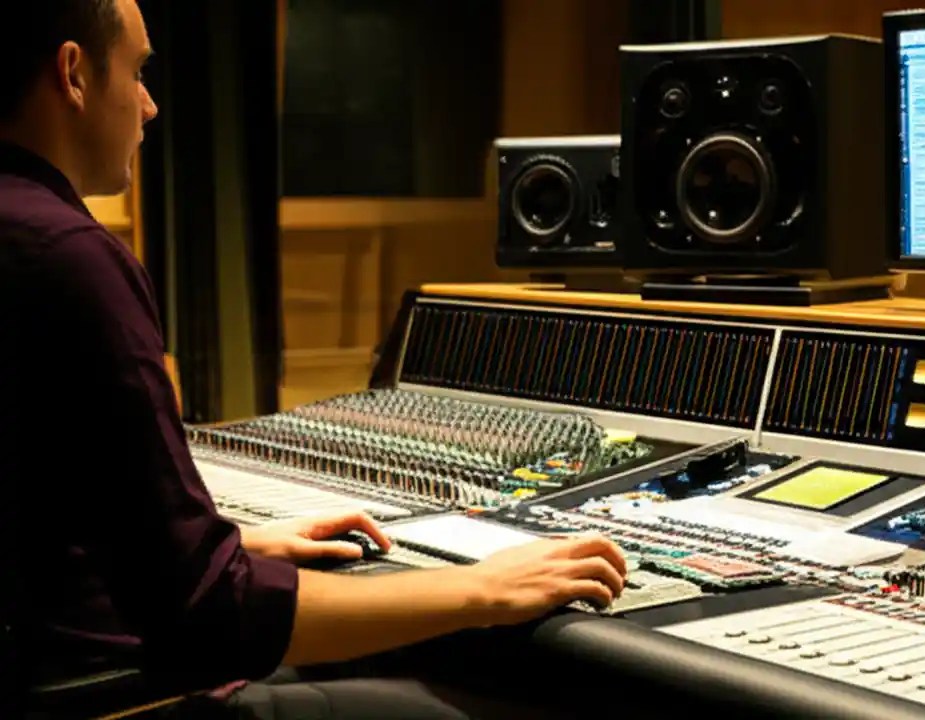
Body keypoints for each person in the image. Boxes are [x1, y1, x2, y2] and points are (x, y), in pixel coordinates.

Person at [0, 2, 628, 718]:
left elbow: (48, 519)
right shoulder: (69, 257)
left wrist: (235, 544)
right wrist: (485, 588)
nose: (149, 105)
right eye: (139, 70)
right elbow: (211, 617)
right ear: (74, 74)